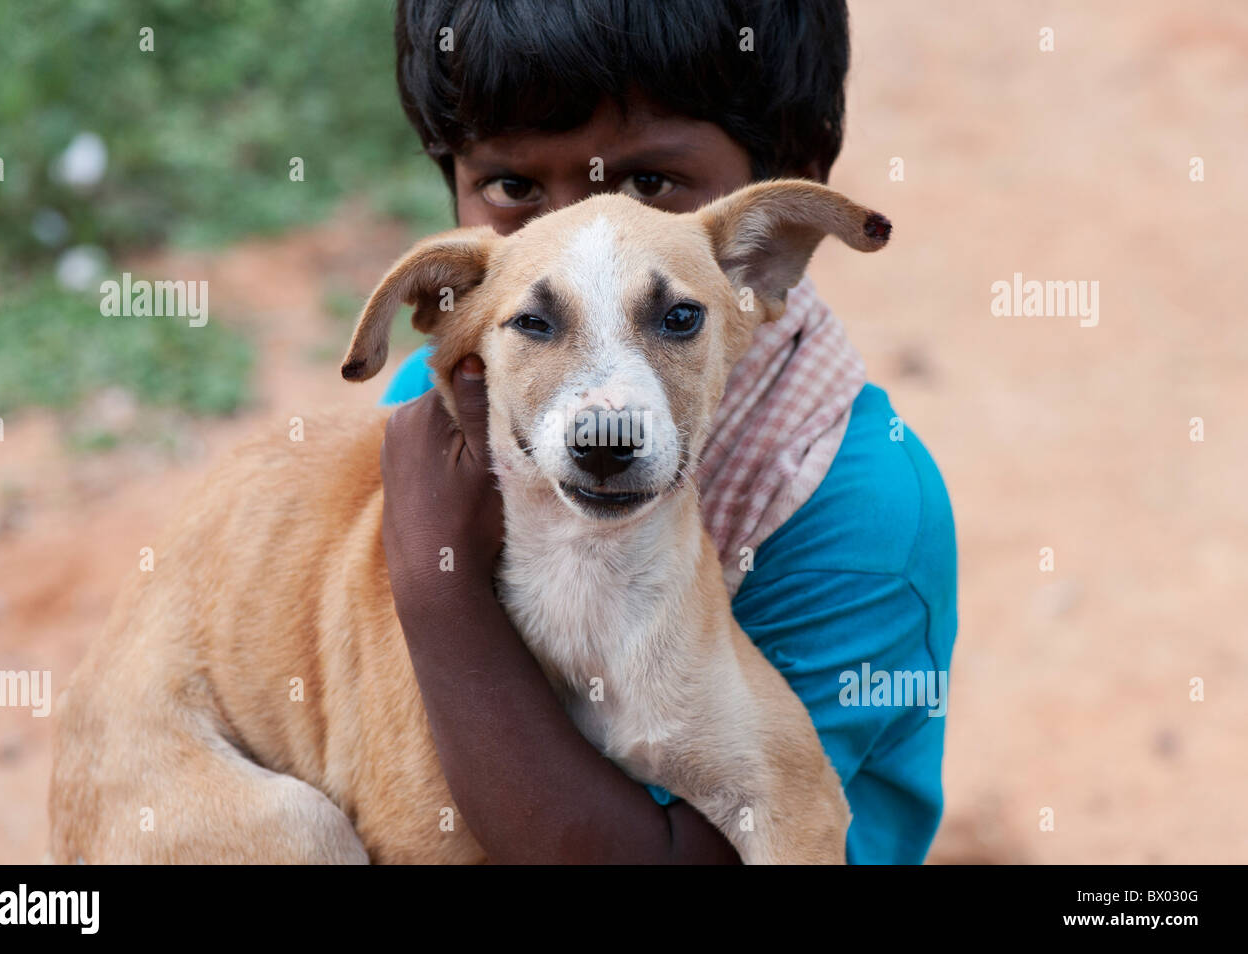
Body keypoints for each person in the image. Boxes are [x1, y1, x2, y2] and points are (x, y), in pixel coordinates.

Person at [378, 0, 957, 864]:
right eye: (515, 188)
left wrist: (435, 582)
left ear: (772, 224)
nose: (586, 232)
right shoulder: (440, 408)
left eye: (646, 184)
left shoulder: (858, 514)